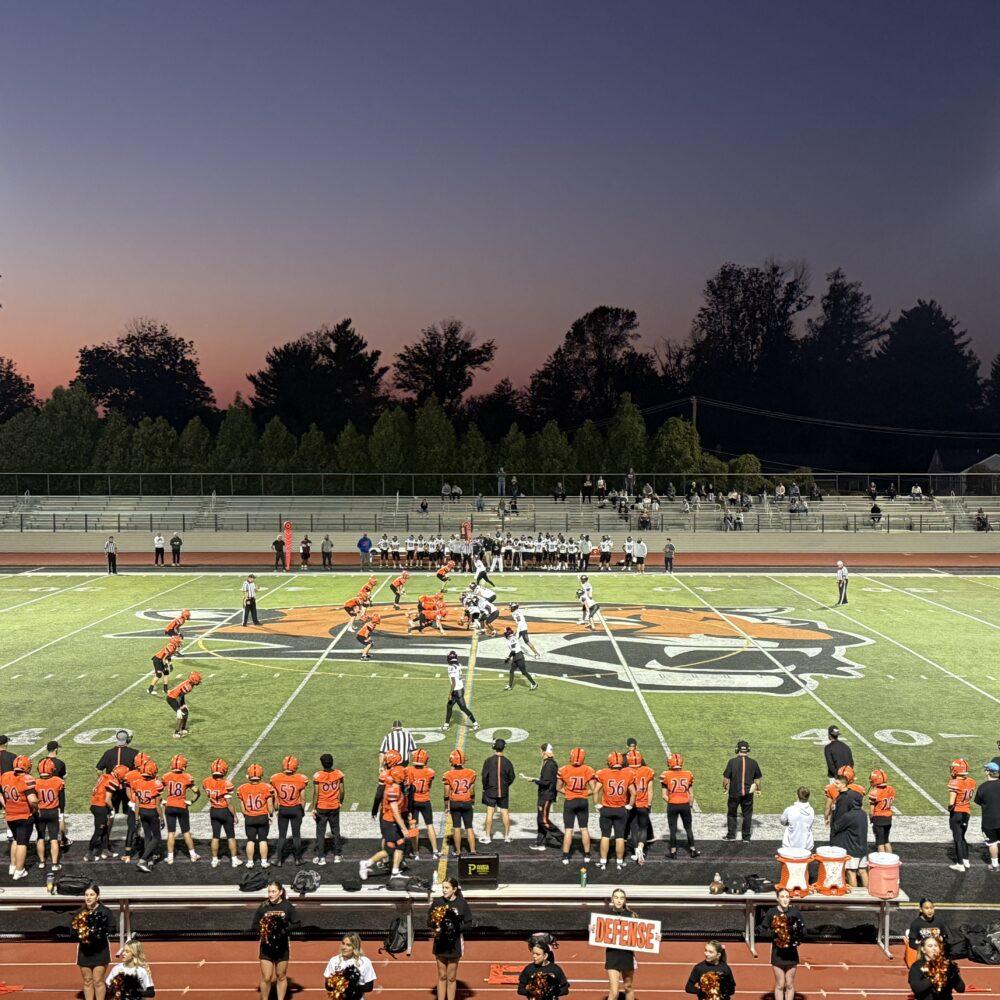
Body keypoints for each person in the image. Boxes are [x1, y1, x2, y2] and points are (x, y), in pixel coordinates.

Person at [252, 881, 298, 1000]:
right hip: (266, 947)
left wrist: (283, 930)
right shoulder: (263, 906)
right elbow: (254, 925)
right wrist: (264, 930)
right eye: (269, 891)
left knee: (281, 976)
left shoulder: (287, 906)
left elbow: (297, 923)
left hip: (282, 947)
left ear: (280, 892)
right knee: (266, 977)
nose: (271, 894)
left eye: (274, 891)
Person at [360, 764, 407, 880]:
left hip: (392, 822)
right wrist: (404, 828)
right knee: (390, 849)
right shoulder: (393, 790)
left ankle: (395, 871)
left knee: (401, 845)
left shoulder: (395, 787)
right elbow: (395, 813)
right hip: (390, 822)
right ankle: (366, 864)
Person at [431, 877, 472, 1000]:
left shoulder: (461, 903)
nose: (444, 890)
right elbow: (429, 920)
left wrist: (455, 928)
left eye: (447, 888)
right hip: (440, 943)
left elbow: (468, 923)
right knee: (442, 976)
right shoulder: (437, 902)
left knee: (451, 977)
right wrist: (435, 926)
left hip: (455, 944)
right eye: (443, 887)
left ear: (454, 889)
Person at [593, 752, 633, 872]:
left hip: (606, 809)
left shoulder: (603, 773)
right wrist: (629, 806)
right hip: (621, 809)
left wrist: (597, 805)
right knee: (620, 836)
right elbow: (634, 793)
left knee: (605, 836)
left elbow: (595, 791)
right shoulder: (628, 774)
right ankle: (620, 862)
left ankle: (603, 862)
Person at [74, 883, 115, 1000]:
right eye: (86, 895)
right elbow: (72, 931)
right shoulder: (79, 912)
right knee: (87, 981)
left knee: (98, 980)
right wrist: (81, 933)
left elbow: (112, 928)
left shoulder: (105, 911)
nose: (88, 897)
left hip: (100, 950)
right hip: (85, 952)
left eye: (92, 894)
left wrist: (98, 931)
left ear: (97, 897)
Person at [763, 888, 805, 1000]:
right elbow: (762, 929)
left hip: (791, 953)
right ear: (777, 898)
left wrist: (796, 936)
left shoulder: (795, 913)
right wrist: (776, 933)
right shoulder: (771, 912)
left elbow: (803, 930)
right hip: (777, 953)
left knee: (790, 984)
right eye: (782, 897)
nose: (785, 899)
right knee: (780, 984)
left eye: (787, 897)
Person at [203, 758, 243, 868]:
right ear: (224, 770)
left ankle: (214, 860)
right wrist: (234, 815)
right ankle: (234, 860)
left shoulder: (206, 781)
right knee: (231, 836)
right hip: (224, 811)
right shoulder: (226, 783)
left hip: (214, 810)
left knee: (215, 836)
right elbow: (229, 803)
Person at [558, 747, 595, 864]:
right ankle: (587, 855)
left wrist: (569, 792)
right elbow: (594, 789)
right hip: (583, 801)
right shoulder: (588, 769)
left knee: (568, 830)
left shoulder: (564, 769)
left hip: (570, 801)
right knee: (584, 829)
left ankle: (565, 856)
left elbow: (558, 787)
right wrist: (583, 793)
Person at [2, 756, 37, 878]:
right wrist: (37, 807)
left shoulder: (6, 776)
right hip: (23, 815)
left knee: (15, 840)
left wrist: (5, 805)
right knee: (22, 843)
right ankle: (19, 870)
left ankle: (12, 866)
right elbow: (32, 800)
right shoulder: (27, 778)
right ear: (27, 766)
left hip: (10, 814)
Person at [271, 755, 308, 866]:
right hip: (296, 809)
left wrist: (276, 809)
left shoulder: (275, 778)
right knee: (296, 835)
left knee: (282, 835)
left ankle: (278, 860)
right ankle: (298, 859)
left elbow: (275, 797)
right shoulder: (301, 779)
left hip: (283, 809)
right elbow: (303, 799)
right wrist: (302, 811)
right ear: (295, 767)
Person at [163, 753, 200, 864]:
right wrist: (191, 801)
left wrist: (162, 801)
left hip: (169, 806)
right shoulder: (186, 777)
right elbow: (197, 792)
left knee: (170, 832)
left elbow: (157, 791)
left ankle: (170, 858)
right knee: (186, 832)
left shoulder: (166, 776)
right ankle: (193, 855)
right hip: (181, 806)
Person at [662, 752, 699, 860]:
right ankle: (692, 850)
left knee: (672, 829)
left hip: (672, 805)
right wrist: (690, 806)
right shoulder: (688, 774)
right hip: (685, 805)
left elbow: (664, 796)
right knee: (688, 828)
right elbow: (691, 794)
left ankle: (673, 852)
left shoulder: (666, 775)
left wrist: (672, 801)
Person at [722, 740, 761, 841]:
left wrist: (725, 788)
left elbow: (726, 778)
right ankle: (746, 837)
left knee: (732, 814)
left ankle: (731, 836)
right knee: (747, 815)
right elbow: (757, 779)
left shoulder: (732, 762)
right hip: (748, 794)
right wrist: (758, 789)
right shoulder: (753, 762)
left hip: (734, 793)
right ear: (748, 750)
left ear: (737, 749)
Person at [525, 743, 561, 851]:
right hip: (545, 795)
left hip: (546, 795)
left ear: (544, 752)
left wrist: (534, 780)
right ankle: (539, 842)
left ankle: (563, 839)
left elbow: (546, 783)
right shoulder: (549, 763)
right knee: (540, 819)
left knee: (543, 820)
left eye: (541, 751)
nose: (540, 753)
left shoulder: (549, 764)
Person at [237, 763, 275, 869]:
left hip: (249, 817)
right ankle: (263, 862)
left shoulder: (242, 788)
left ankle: (250, 862)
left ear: (248, 775)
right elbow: (270, 806)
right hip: (262, 817)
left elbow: (242, 807)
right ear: (261, 775)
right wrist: (270, 814)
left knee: (250, 840)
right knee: (263, 840)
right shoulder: (267, 787)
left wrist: (247, 815)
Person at [310, 753, 345, 865]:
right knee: (336, 831)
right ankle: (337, 855)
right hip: (334, 806)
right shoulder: (338, 774)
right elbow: (342, 791)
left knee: (320, 833)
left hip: (322, 807)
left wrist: (314, 808)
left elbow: (316, 793)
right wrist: (340, 802)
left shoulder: (318, 775)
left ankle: (321, 857)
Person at [831, 786, 869, 887]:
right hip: (863, 848)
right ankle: (868, 897)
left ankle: (854, 900)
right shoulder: (864, 814)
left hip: (852, 849)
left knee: (851, 873)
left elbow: (836, 827)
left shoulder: (849, 816)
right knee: (863, 871)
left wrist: (833, 811)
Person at [604, 888, 637, 1000]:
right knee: (614, 991)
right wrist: (593, 929)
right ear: (612, 899)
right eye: (616, 897)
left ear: (625, 900)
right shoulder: (605, 916)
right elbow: (598, 932)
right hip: (612, 954)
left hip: (626, 954)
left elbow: (641, 933)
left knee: (628, 987)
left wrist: (656, 937)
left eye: (621, 898)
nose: (619, 900)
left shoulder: (632, 915)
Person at [481, 738, 516, 844]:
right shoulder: (508, 762)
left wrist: (486, 787)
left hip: (490, 790)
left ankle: (487, 837)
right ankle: (506, 836)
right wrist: (505, 785)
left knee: (490, 812)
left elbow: (484, 776)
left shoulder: (488, 761)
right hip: (504, 791)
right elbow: (512, 777)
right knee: (504, 812)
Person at [443, 749, 478, 856]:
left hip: (454, 803)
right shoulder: (471, 773)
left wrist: (446, 806)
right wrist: (472, 801)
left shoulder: (448, 774)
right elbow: (472, 790)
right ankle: (472, 850)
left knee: (456, 827)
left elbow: (446, 793)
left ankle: (458, 851)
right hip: (467, 802)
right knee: (469, 827)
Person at [908, 935, 965, 1000]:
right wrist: (935, 976)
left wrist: (954, 975)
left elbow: (961, 989)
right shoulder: (917, 966)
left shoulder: (946, 965)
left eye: (936, 946)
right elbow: (916, 989)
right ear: (923, 950)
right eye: (930, 946)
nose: (934, 948)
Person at [133, 758, 165, 873]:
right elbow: (157, 805)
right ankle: (142, 860)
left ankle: (149, 859)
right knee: (157, 837)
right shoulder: (156, 784)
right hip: (152, 812)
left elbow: (136, 803)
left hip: (142, 811)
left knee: (147, 836)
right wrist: (162, 818)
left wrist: (136, 817)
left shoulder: (137, 782)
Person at [406, 748, 438, 860]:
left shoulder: (409, 770)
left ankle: (416, 852)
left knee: (414, 826)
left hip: (413, 801)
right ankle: (435, 851)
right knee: (429, 824)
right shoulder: (430, 772)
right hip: (425, 800)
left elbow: (408, 787)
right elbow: (429, 785)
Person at [948, 758, 976, 872]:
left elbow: (951, 802)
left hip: (957, 812)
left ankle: (960, 864)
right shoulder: (971, 781)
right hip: (967, 812)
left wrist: (950, 809)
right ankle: (966, 860)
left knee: (957, 838)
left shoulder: (954, 782)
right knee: (963, 837)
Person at [442, 650, 478, 732]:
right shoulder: (458, 664)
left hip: (456, 691)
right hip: (460, 689)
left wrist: (450, 693)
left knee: (463, 708)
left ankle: (475, 723)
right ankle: (446, 724)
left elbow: (453, 683)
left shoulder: (451, 667)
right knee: (450, 706)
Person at [975, 761, 1000, 872]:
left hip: (989, 821)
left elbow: (978, 802)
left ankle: (995, 865)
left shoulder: (982, 787)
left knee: (992, 844)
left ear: (988, 772)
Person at [907, 898, 948, 967]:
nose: (930, 911)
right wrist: (925, 949)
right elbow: (911, 943)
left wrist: (939, 946)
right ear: (921, 909)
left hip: (938, 954)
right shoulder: (916, 924)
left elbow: (945, 938)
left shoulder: (940, 922)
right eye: (926, 908)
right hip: (923, 955)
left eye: (931, 908)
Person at [868, 769, 897, 854]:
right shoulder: (891, 789)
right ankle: (890, 860)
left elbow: (871, 810)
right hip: (888, 818)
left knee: (880, 843)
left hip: (879, 818)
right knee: (886, 841)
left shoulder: (874, 792)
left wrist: (871, 818)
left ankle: (882, 862)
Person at [166, 671, 202, 739]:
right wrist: (180, 708)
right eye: (198, 680)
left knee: (186, 712)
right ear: (194, 681)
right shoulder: (188, 686)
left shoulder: (190, 684)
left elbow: (182, 695)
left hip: (176, 697)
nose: (199, 681)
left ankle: (183, 729)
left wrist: (183, 704)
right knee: (181, 714)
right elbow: (179, 696)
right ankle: (176, 733)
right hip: (172, 698)